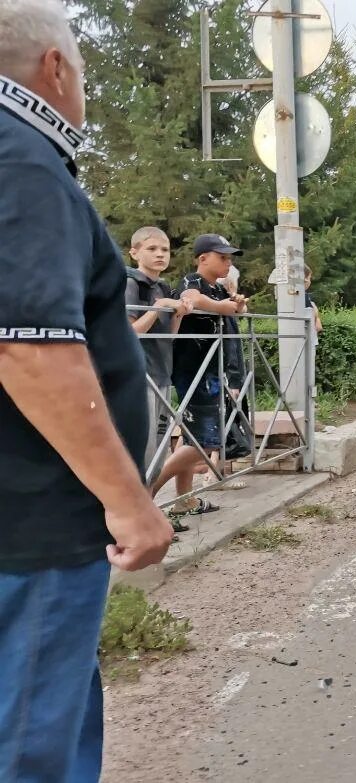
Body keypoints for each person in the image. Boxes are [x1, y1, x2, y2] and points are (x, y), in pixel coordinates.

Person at [0, 3, 173, 779]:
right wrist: (128, 499)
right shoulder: (21, 164)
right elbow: (29, 348)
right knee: (32, 737)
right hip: (32, 519)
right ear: (56, 70)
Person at [151, 235, 249, 518]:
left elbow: (230, 308)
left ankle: (185, 499)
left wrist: (235, 304)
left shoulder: (217, 289)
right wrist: (224, 307)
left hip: (210, 369)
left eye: (230, 258)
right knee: (207, 443)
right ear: (203, 258)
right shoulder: (191, 282)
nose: (228, 263)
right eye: (223, 257)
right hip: (193, 370)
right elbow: (191, 300)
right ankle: (149, 493)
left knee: (193, 439)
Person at [125, 226, 194, 484]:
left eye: (165, 250)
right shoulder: (132, 283)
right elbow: (130, 332)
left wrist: (179, 313)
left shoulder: (162, 286)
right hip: (140, 374)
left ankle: (149, 506)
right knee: (142, 447)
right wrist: (159, 306)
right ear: (134, 252)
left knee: (160, 445)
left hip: (162, 373)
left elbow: (169, 336)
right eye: (152, 249)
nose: (160, 255)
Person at [304, 264, 323, 335]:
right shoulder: (303, 296)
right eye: (309, 278)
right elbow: (318, 327)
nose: (310, 281)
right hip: (306, 336)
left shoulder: (304, 295)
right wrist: (317, 318)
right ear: (305, 279)